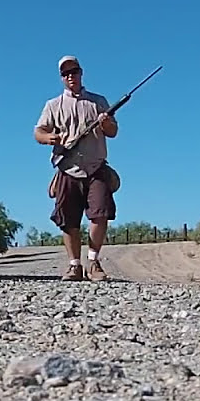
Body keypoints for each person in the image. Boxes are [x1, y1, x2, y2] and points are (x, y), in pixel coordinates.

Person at [34, 55, 118, 282]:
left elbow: (113, 131)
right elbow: (38, 132)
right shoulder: (53, 105)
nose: (71, 76)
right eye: (66, 73)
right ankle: (74, 265)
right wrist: (51, 138)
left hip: (96, 167)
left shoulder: (98, 101)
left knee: (100, 214)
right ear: (62, 78)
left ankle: (93, 261)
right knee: (68, 219)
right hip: (67, 168)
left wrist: (106, 122)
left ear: (81, 73)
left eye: (74, 71)